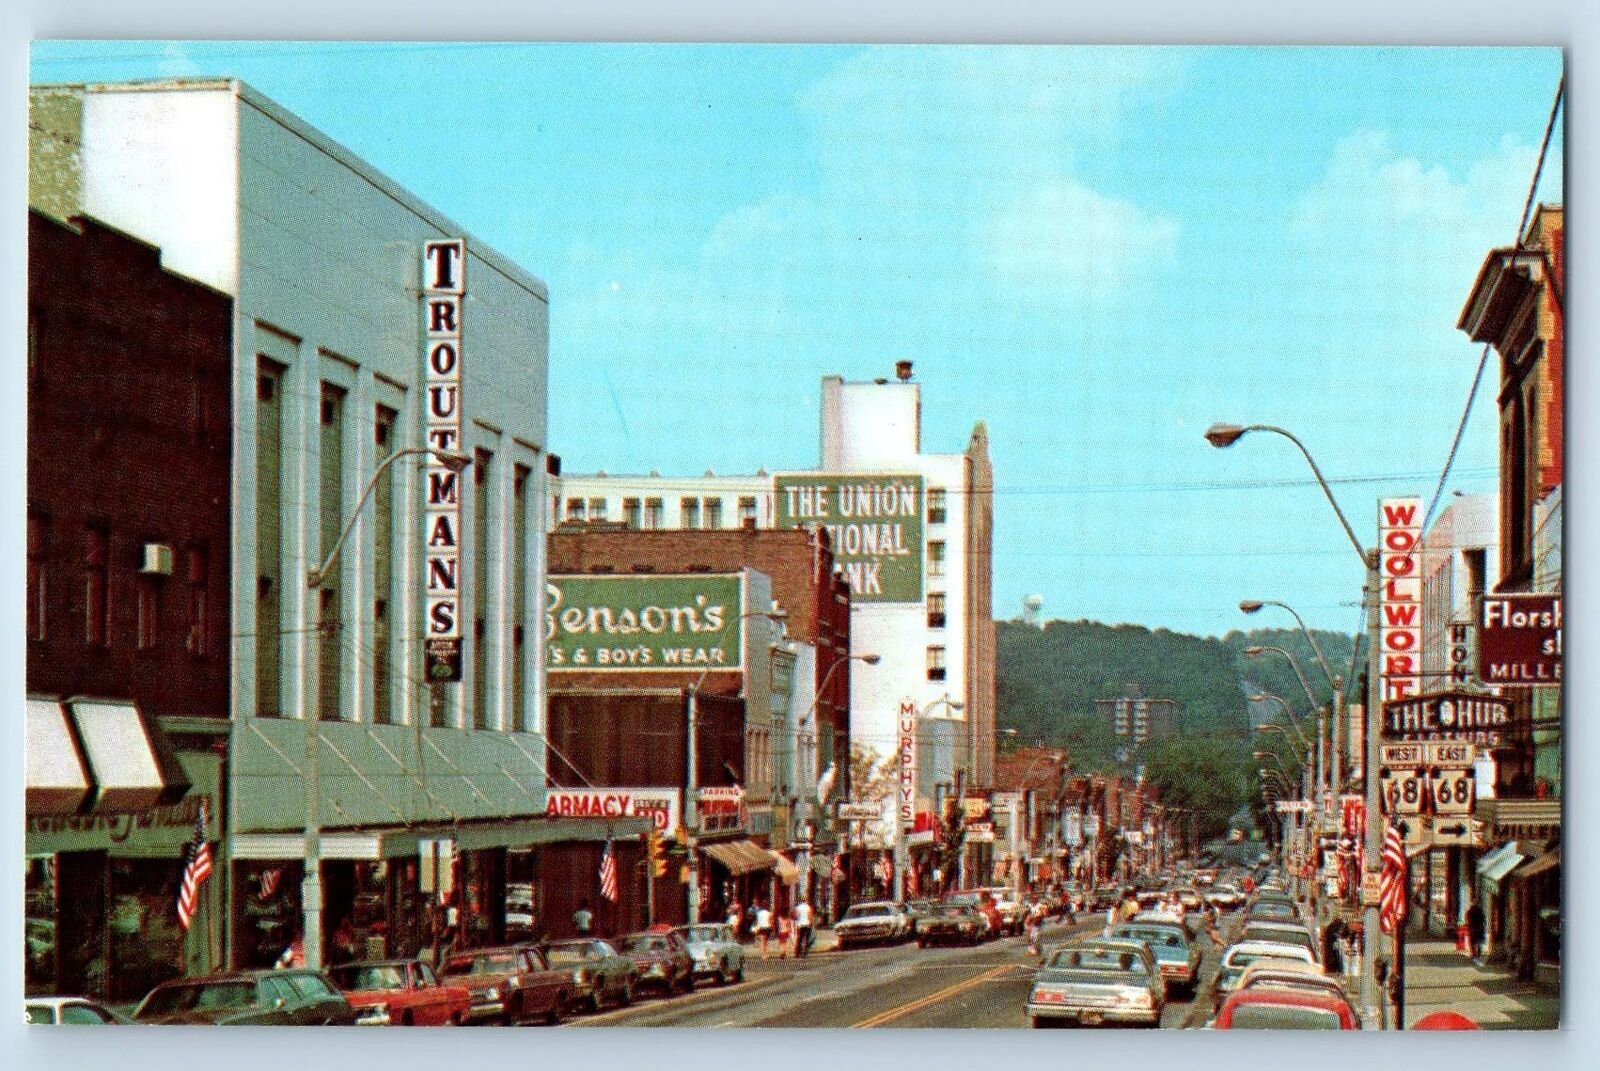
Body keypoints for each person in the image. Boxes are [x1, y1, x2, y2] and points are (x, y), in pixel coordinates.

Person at [1465, 897, 1486, 963]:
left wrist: (1468, 925)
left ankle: (1473, 954)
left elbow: (1467, 919)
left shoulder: (1470, 911)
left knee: (1472, 942)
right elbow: (1483, 919)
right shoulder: (1480, 911)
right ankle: (1478, 953)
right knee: (1479, 941)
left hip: (1472, 928)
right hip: (1480, 928)